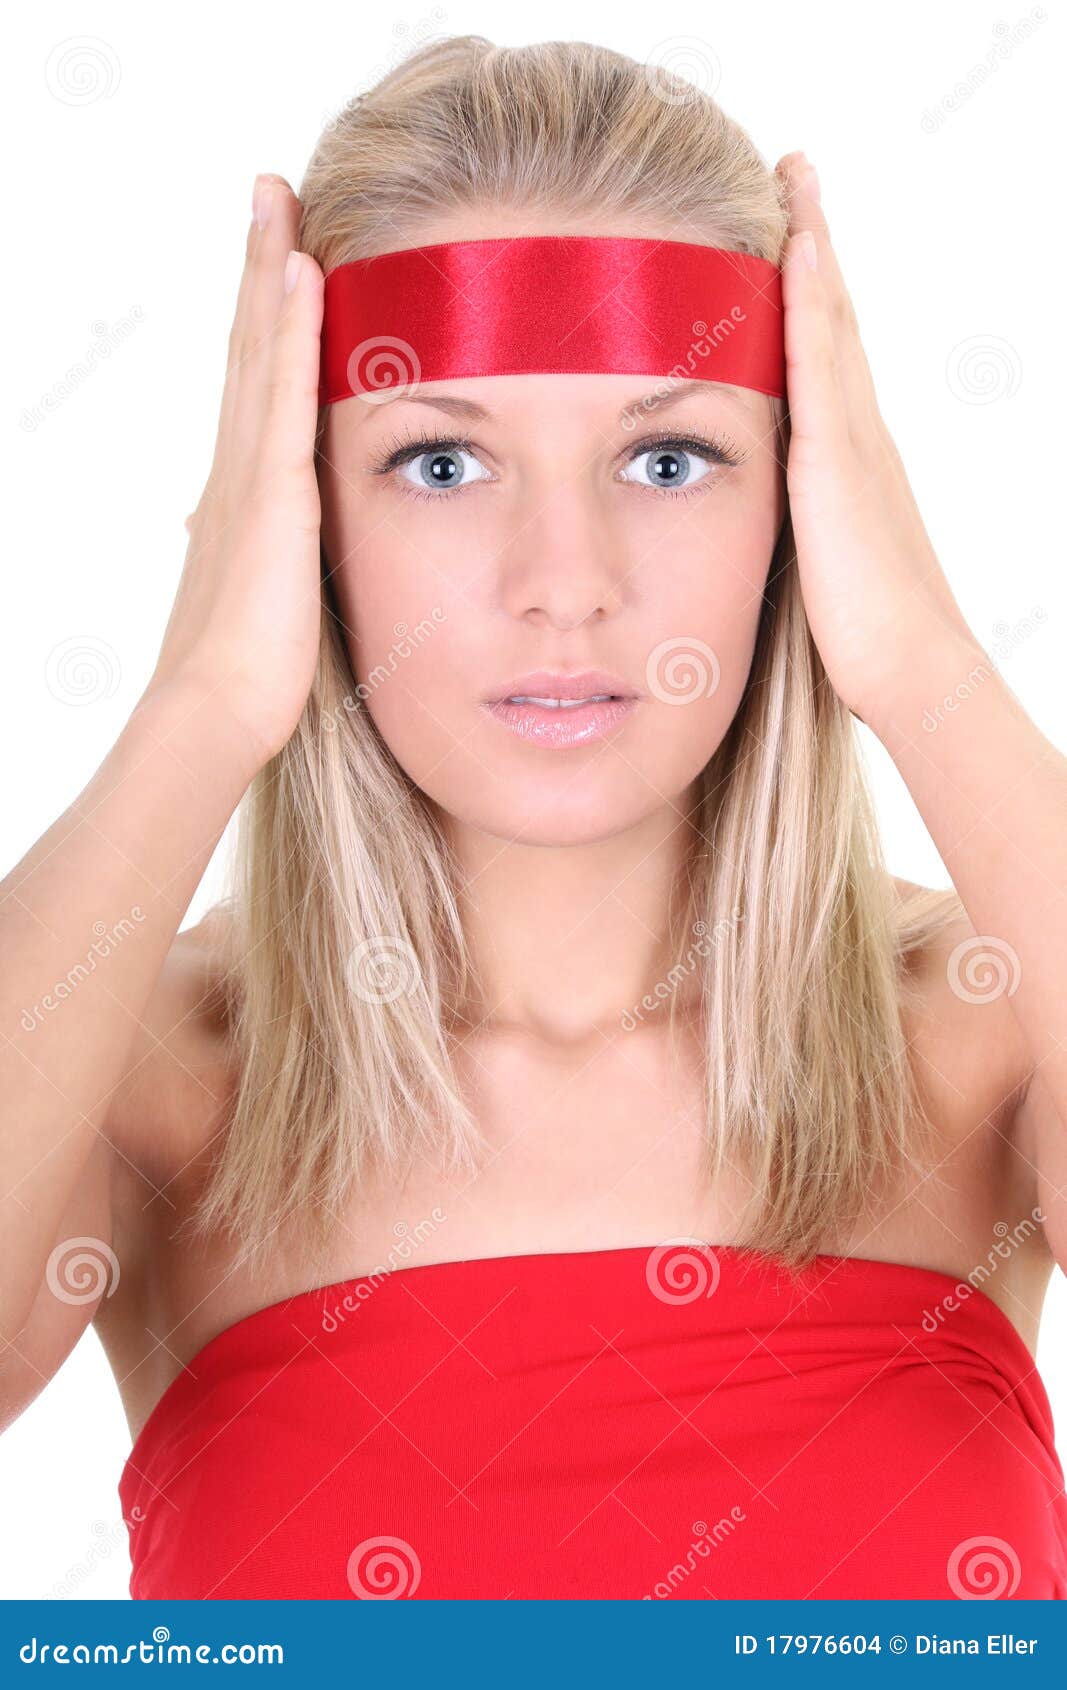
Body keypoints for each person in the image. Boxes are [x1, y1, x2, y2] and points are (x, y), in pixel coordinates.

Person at [3, 35, 1065, 1601]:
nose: (562, 579)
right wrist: (203, 699)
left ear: (805, 505)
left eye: (668, 455)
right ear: (294, 516)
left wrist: (921, 657)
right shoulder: (154, 1077)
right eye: (439, 460)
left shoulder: (984, 1029)